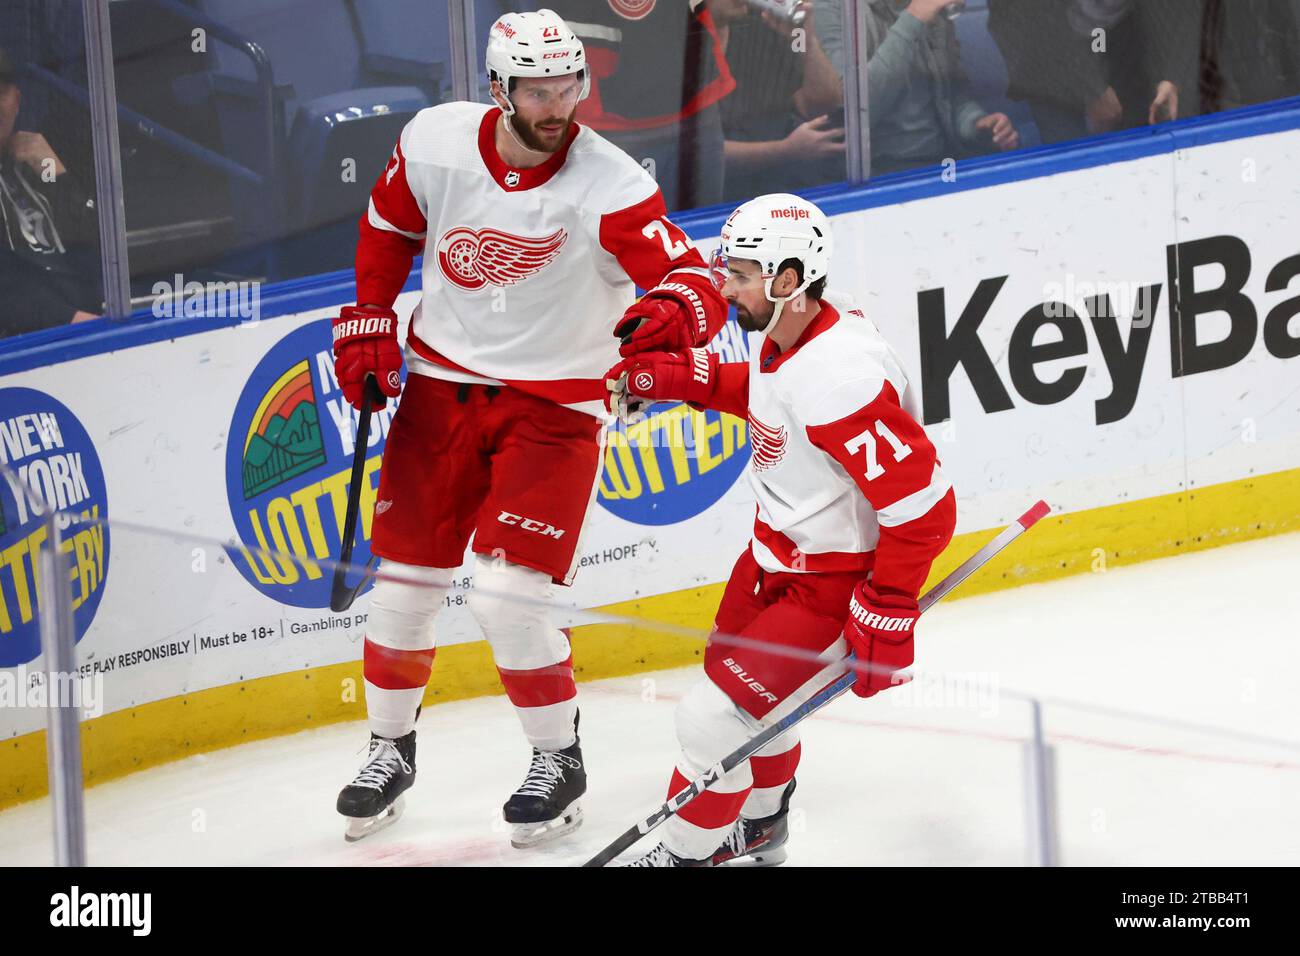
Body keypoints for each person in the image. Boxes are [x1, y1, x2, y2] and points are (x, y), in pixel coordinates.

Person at [330, 9, 728, 847]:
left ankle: (559, 758)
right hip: (440, 389)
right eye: (537, 90)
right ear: (497, 88)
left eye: (568, 87)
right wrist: (369, 312)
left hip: (554, 406)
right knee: (401, 591)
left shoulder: (608, 179)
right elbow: (389, 227)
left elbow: (690, 277)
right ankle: (388, 750)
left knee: (510, 596)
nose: (557, 107)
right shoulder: (436, 140)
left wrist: (671, 311)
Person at [601, 193, 956, 865]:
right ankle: (761, 826)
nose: (724, 288)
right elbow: (769, 392)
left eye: (738, 274)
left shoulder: (841, 379)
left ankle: (683, 854)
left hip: (828, 582)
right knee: (736, 699)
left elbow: (924, 507)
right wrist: (677, 377)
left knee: (711, 717)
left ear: (787, 280)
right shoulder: (796, 330)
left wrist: (888, 603)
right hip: (770, 560)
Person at [0, 47, 101, 337]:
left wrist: (53, 171)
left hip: (83, 327)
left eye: (0, 93)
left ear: (16, 100)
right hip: (26, 346)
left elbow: (95, 241)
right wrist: (70, 319)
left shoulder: (34, 165)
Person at [861, 0, 1020, 174]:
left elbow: (952, 97)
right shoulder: (839, 9)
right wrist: (915, 18)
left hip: (946, 164)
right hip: (881, 175)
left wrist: (978, 125)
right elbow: (854, 113)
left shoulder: (937, 12)